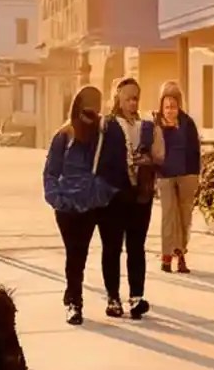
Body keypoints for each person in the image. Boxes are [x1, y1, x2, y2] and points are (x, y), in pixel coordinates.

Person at [42, 85, 122, 325]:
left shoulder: (103, 137)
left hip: (91, 204)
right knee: (74, 255)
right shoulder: (63, 137)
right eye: (85, 112)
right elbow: (50, 173)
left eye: (94, 113)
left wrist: (99, 194)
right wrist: (58, 199)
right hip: (67, 208)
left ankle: (98, 297)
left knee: (85, 252)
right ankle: (73, 301)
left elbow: (113, 170)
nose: (90, 118)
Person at [97, 77, 163, 320]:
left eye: (135, 97)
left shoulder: (146, 126)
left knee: (136, 247)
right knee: (112, 248)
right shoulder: (107, 124)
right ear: (117, 98)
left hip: (140, 195)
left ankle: (136, 296)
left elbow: (159, 157)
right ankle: (112, 297)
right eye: (127, 98)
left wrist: (150, 161)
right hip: (113, 195)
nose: (132, 102)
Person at [154, 81, 201, 274]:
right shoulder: (156, 125)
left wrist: (197, 174)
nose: (170, 111)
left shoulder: (187, 123)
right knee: (168, 216)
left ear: (179, 105)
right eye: (166, 107)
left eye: (173, 106)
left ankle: (180, 254)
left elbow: (195, 150)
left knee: (184, 217)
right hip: (165, 175)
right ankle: (166, 256)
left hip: (186, 174)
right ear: (161, 106)